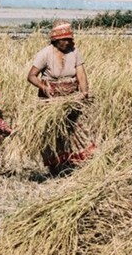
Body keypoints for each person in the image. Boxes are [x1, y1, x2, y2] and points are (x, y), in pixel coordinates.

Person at [26, 21, 95, 174]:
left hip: (72, 98)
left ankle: (79, 164)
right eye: (65, 40)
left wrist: (83, 93)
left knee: (77, 129)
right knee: (54, 132)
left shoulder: (74, 52)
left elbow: (81, 75)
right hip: (52, 100)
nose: (69, 42)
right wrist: (44, 87)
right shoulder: (45, 53)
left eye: (70, 39)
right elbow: (31, 76)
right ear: (56, 41)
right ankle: (56, 167)